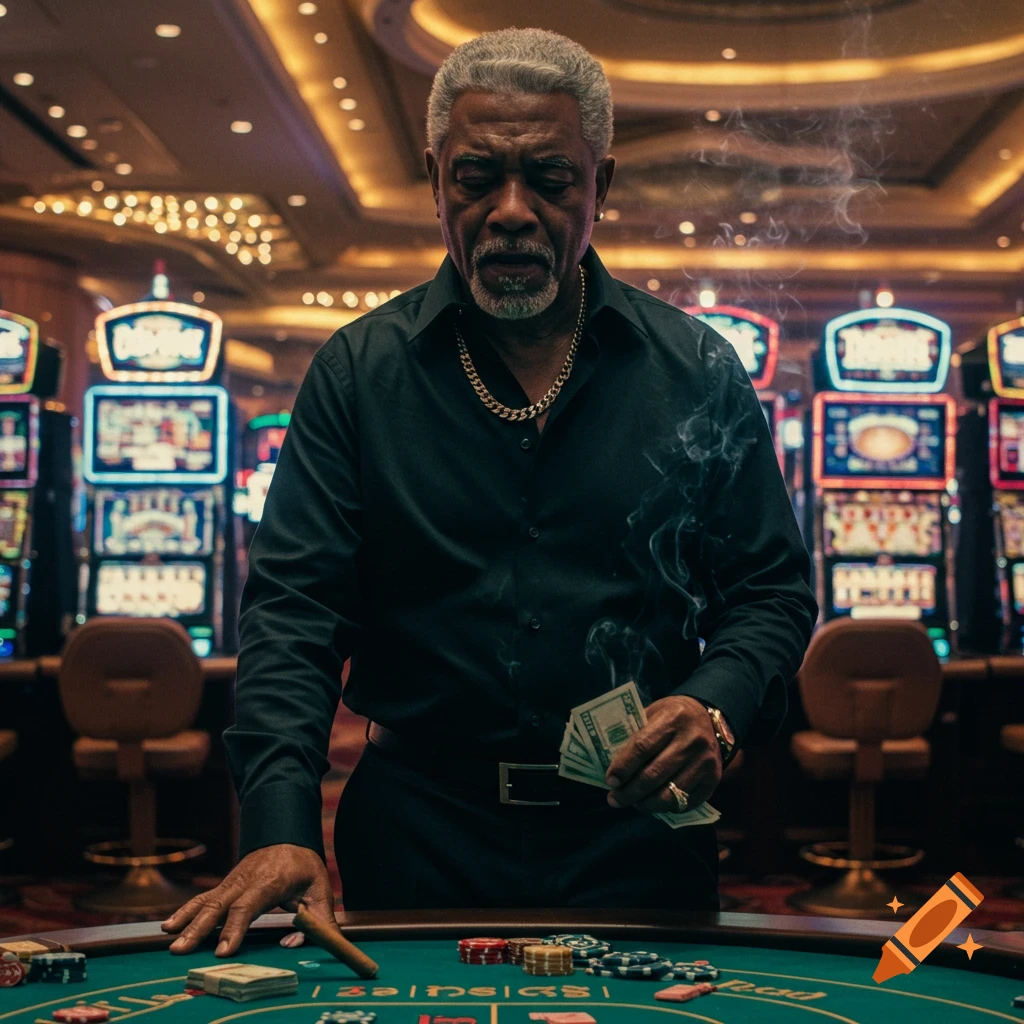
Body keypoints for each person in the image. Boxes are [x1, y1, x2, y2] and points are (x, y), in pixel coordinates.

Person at [164, 26, 816, 956]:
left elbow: (770, 593)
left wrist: (714, 701)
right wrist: (278, 822)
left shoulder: (698, 370)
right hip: (418, 832)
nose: (511, 210)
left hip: (635, 836)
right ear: (436, 181)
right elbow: (294, 618)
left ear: (601, 187)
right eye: (477, 178)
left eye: (550, 179)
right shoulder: (356, 374)